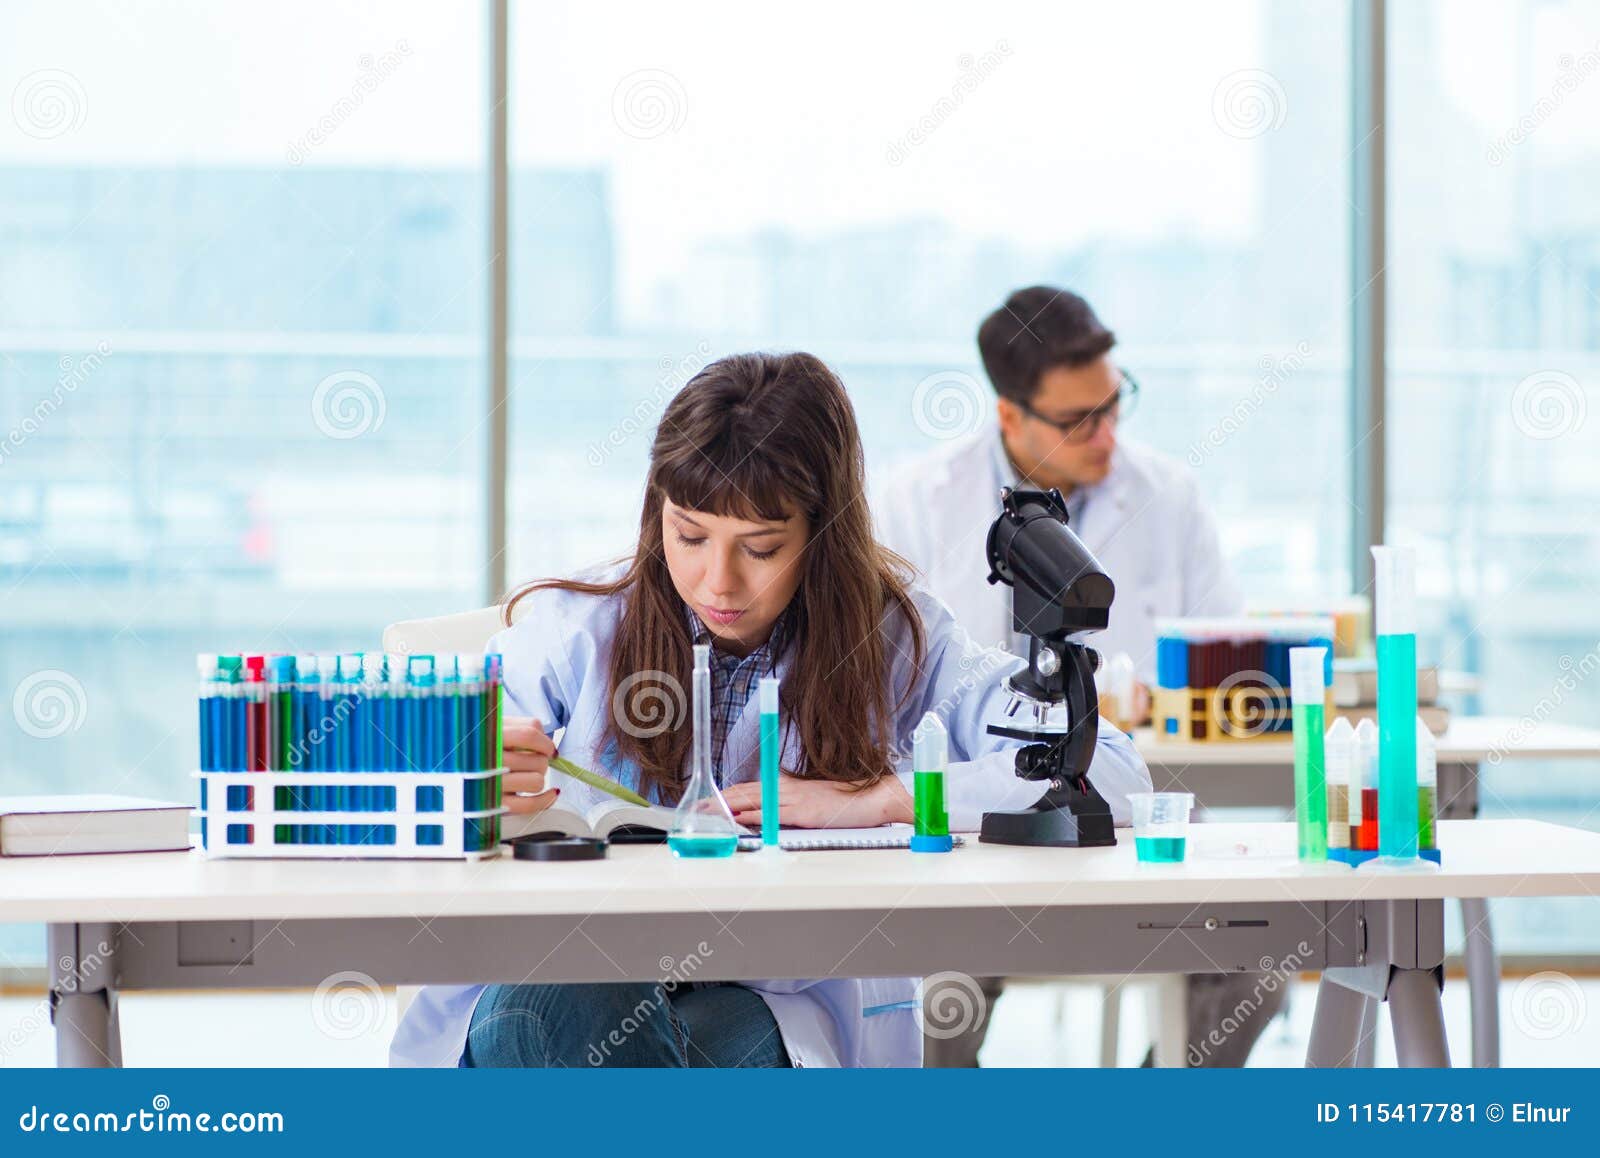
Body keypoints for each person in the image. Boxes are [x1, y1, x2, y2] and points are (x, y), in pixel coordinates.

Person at [390, 350, 1152, 1068]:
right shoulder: (575, 630)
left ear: (822, 535)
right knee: (562, 1006)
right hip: (575, 978)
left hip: (759, 996)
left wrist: (881, 800)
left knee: (607, 1042)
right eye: (689, 535)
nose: (716, 581)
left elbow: (1110, 771)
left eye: (758, 548)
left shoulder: (897, 643)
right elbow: (381, 787)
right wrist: (461, 770)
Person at [876, 286, 1282, 1068]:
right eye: (1077, 420)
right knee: (935, 993)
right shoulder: (917, 502)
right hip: (974, 828)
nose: (1106, 434)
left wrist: (1169, 696)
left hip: (1129, 816)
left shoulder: (1167, 496)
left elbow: (1225, 660)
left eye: (1114, 404)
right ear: (1009, 415)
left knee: (1256, 967)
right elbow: (891, 681)